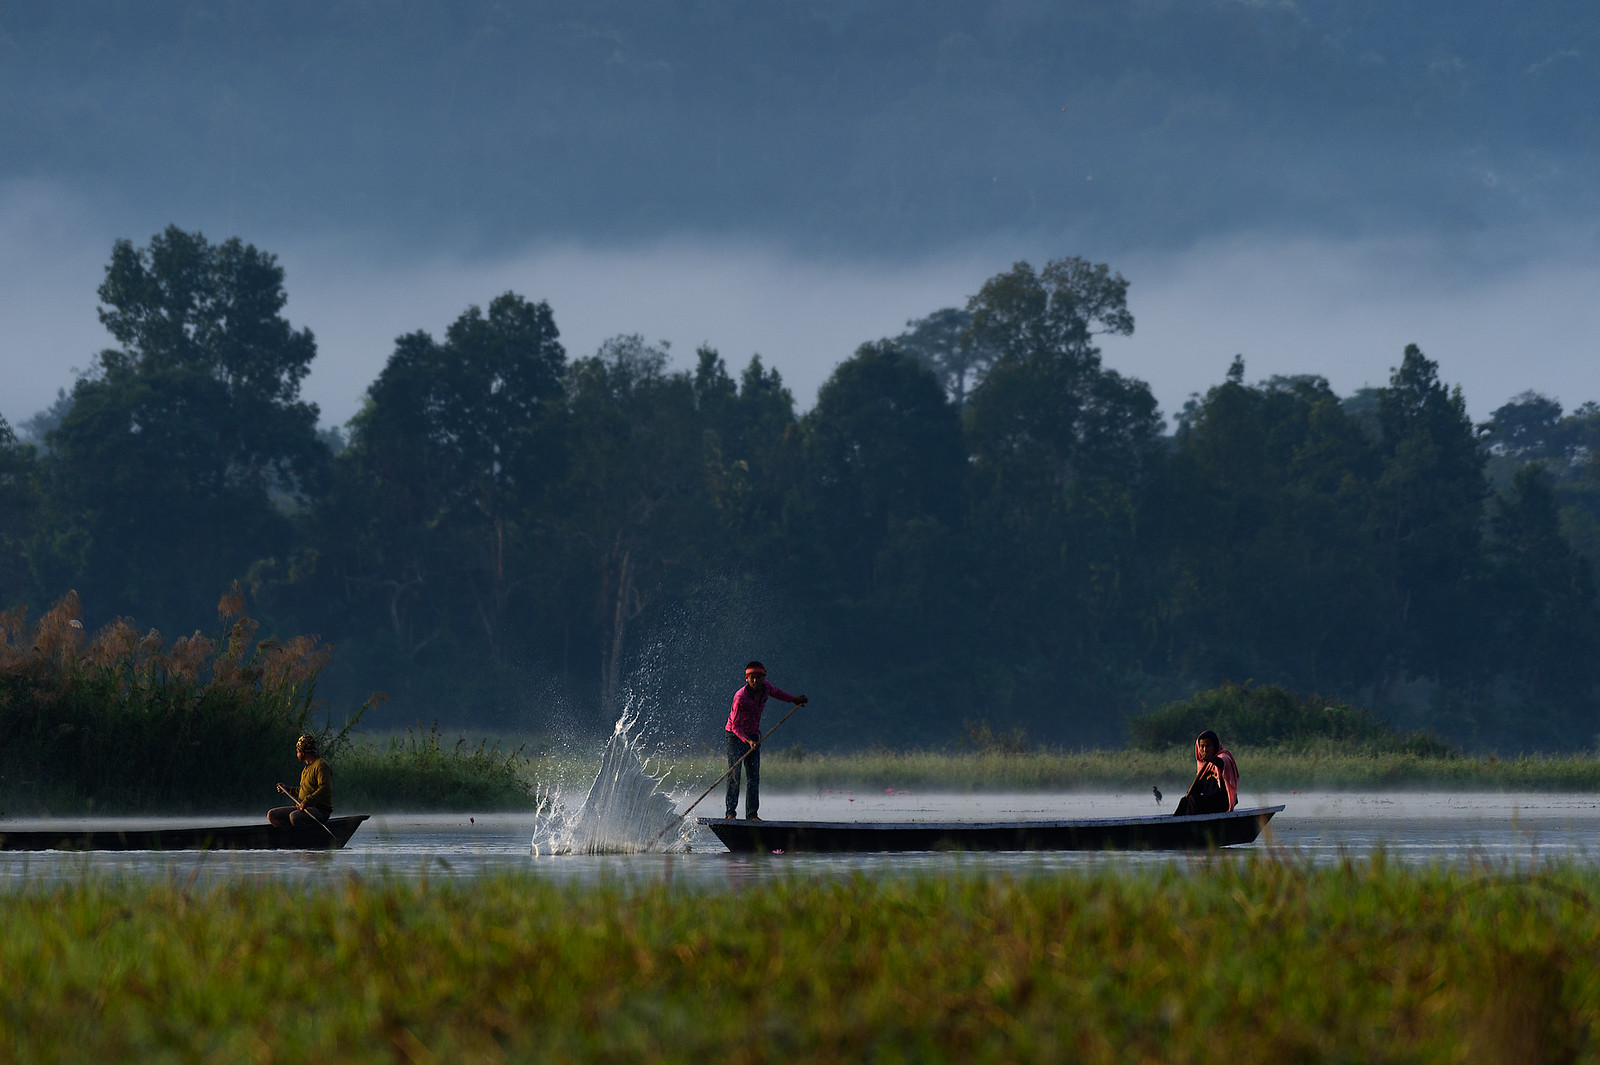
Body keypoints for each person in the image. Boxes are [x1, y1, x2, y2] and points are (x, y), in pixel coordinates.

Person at [725, 661, 807, 820]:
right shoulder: (740, 697)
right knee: (735, 774)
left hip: (754, 735)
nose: (756, 681)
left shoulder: (766, 688)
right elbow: (735, 726)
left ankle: (752, 814)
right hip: (735, 736)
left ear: (764, 677)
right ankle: (730, 813)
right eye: (752, 678)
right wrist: (748, 741)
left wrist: (794, 700)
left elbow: (778, 693)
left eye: (759, 677)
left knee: (753, 777)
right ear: (747, 679)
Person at [268, 733, 333, 828]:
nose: (297, 754)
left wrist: (306, 802)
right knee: (272, 815)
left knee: (295, 816)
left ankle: (303, 838)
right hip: (302, 807)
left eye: (297, 751)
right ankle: (289, 837)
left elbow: (325, 789)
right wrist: (287, 789)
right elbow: (303, 791)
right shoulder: (306, 769)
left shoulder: (321, 766)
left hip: (319, 810)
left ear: (302, 752)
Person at [1174, 729, 1238, 815]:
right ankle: (1177, 824)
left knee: (1194, 800)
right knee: (1185, 800)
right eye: (1202, 746)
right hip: (1208, 802)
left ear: (1214, 746)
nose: (1204, 749)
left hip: (1222, 803)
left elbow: (1222, 762)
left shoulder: (1224, 757)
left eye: (1208, 746)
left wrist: (1212, 760)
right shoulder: (1202, 765)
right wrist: (1187, 797)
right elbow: (1197, 788)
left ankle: (1191, 824)